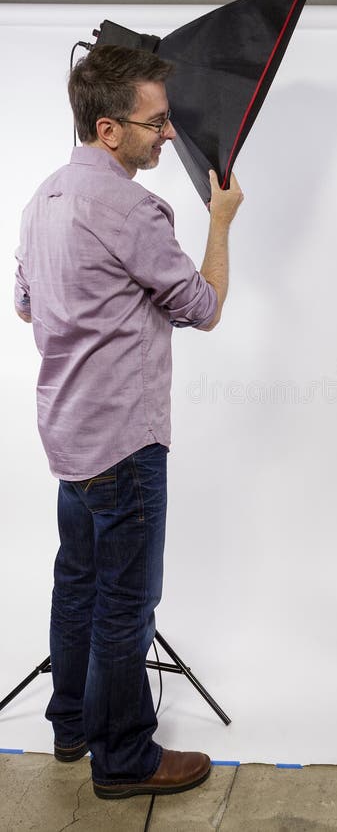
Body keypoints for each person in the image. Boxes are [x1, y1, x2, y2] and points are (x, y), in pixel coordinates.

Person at [14, 45, 244, 798]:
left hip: (68, 435)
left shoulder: (42, 199)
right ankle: (125, 759)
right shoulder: (132, 209)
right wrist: (220, 222)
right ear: (109, 130)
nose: (169, 134)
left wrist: (111, 303)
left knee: (77, 585)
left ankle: (72, 726)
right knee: (125, 605)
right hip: (124, 440)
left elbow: (26, 304)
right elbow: (204, 308)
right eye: (157, 122)